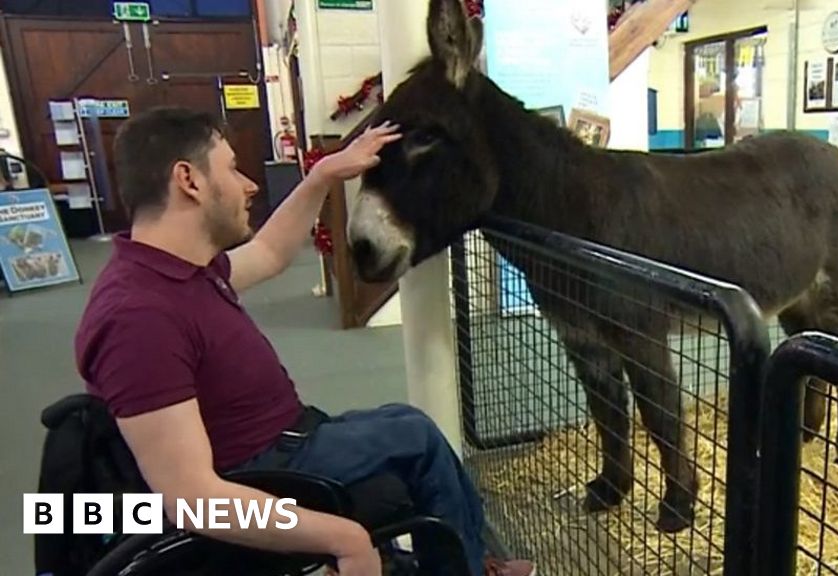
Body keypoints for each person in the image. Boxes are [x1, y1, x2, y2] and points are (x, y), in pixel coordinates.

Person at [73, 106, 535, 576]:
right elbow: (192, 499)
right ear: (188, 180)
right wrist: (345, 539)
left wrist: (324, 175)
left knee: (403, 420)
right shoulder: (139, 316)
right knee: (415, 436)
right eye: (232, 168)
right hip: (261, 468)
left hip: (285, 437)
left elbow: (270, 252)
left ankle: (458, 561)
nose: (250, 185)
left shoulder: (179, 268)